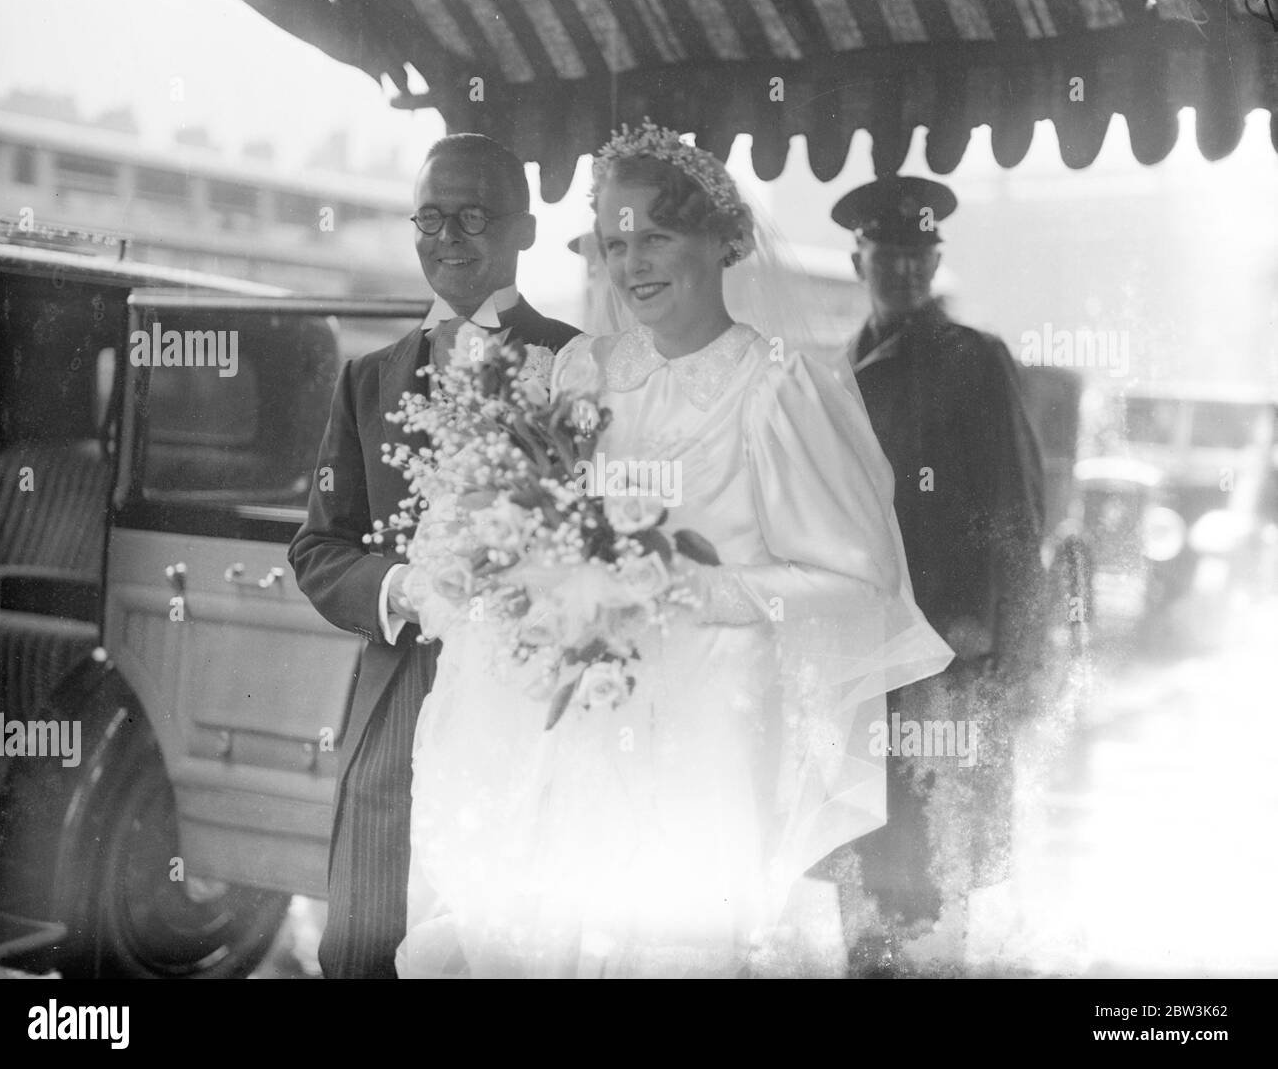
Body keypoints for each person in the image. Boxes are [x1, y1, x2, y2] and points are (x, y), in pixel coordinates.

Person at [393, 123, 952, 979]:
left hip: (707, 731)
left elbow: (855, 584)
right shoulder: (584, 368)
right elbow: (531, 516)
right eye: (616, 243)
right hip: (579, 722)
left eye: (657, 236)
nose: (633, 264)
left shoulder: (777, 385)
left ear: (724, 241)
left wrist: (679, 589)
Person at [288, 133, 580, 978]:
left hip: (523, 709)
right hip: (395, 697)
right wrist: (404, 586)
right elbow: (318, 545)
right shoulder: (367, 378)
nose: (448, 235)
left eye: (473, 215)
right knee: (366, 944)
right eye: (430, 216)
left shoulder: (576, 363)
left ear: (523, 230)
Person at [832, 175, 1048, 973]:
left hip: (947, 658)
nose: (903, 272)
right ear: (860, 261)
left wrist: (1014, 659)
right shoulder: (838, 371)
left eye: (918, 257)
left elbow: (1018, 516)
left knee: (934, 864)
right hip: (859, 659)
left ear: (935, 263)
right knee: (862, 855)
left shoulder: (974, 360)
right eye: (887, 256)